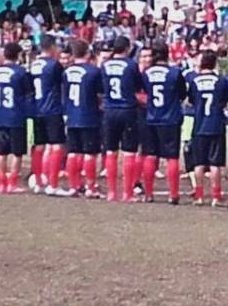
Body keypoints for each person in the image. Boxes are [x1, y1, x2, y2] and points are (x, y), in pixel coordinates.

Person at [143, 40, 188, 205]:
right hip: (170, 119)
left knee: (150, 155)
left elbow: (145, 92)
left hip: (151, 117)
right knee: (172, 157)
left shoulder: (147, 73)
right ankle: (173, 194)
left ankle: (148, 193)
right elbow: (183, 94)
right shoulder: (175, 73)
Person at [185, 49, 228, 206]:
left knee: (199, 163)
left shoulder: (194, 81)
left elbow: (191, 100)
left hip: (199, 125)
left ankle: (199, 196)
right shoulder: (222, 81)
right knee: (215, 164)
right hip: (216, 125)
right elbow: (227, 100)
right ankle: (216, 196)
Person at [101, 36, 143, 202]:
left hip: (110, 110)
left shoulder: (105, 66)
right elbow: (138, 86)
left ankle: (111, 192)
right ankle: (128, 193)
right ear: (127, 48)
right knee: (129, 152)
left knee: (111, 152)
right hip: (127, 110)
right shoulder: (131, 65)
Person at [63, 40, 103, 198]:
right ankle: (90, 187)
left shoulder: (66, 72)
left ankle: (73, 186)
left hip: (72, 115)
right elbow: (100, 93)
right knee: (90, 153)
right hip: (89, 115)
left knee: (73, 152)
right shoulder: (93, 71)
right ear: (87, 53)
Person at [0, 43, 32, 193]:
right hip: (15, 116)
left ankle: (2, 182)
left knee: (1, 152)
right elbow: (28, 94)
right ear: (19, 55)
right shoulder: (21, 72)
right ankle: (12, 183)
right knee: (17, 152)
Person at [30, 37, 67, 195]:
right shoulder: (53, 65)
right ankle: (53, 184)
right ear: (52, 47)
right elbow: (62, 83)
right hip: (52, 108)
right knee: (57, 145)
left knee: (39, 146)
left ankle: (38, 182)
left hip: (37, 109)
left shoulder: (34, 64)